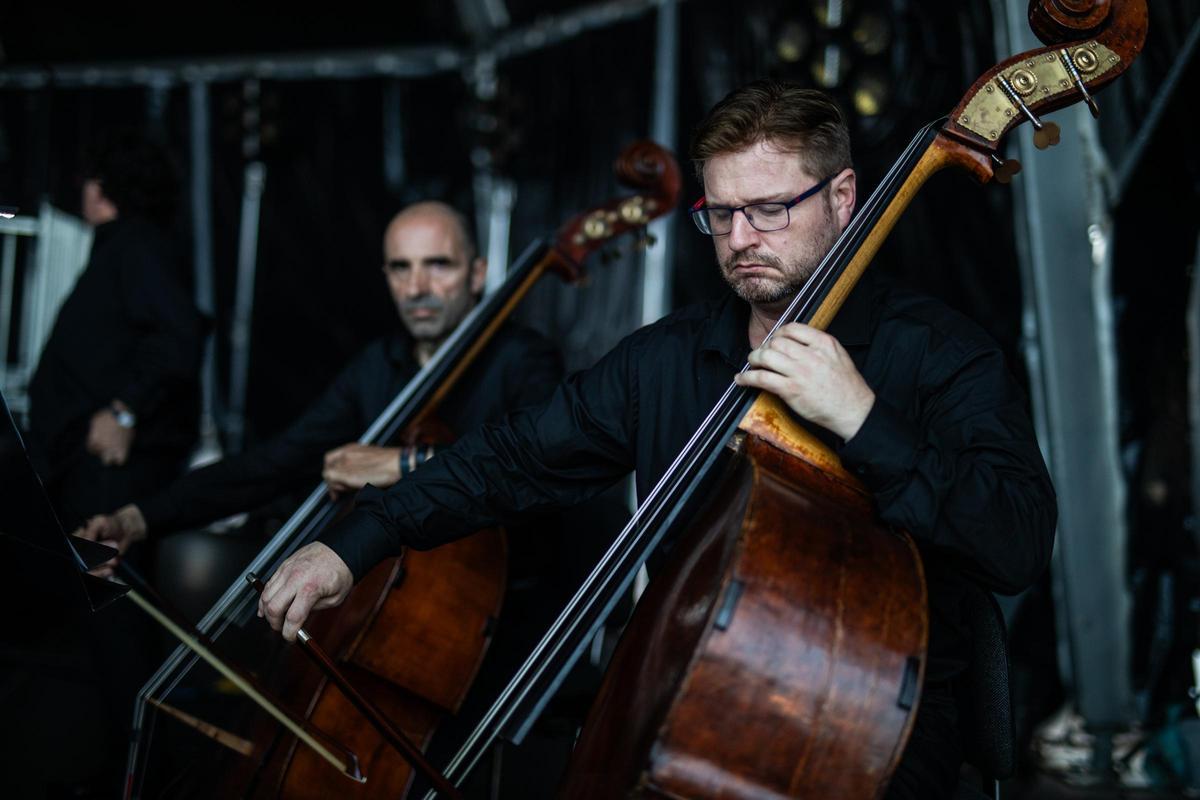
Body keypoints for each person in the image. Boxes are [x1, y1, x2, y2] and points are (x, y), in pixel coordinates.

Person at [258, 82, 1057, 798]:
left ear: (843, 197)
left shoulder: (938, 352)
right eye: (721, 214)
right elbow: (508, 460)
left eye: (771, 209)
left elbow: (1016, 542)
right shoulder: (666, 358)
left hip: (869, 733)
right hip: (681, 701)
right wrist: (354, 542)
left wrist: (861, 418)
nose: (742, 237)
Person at [79, 200, 562, 568]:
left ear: (477, 274)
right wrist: (139, 518)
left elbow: (540, 470)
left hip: (504, 607)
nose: (417, 288)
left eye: (439, 265)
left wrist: (402, 463)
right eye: (401, 267)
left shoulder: (524, 359)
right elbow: (272, 464)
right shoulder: (378, 364)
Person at [28, 128, 203, 526]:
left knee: (100, 575)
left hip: (107, 467)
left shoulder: (138, 246)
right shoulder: (125, 246)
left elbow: (179, 335)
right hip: (81, 464)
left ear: (103, 186)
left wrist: (125, 411)